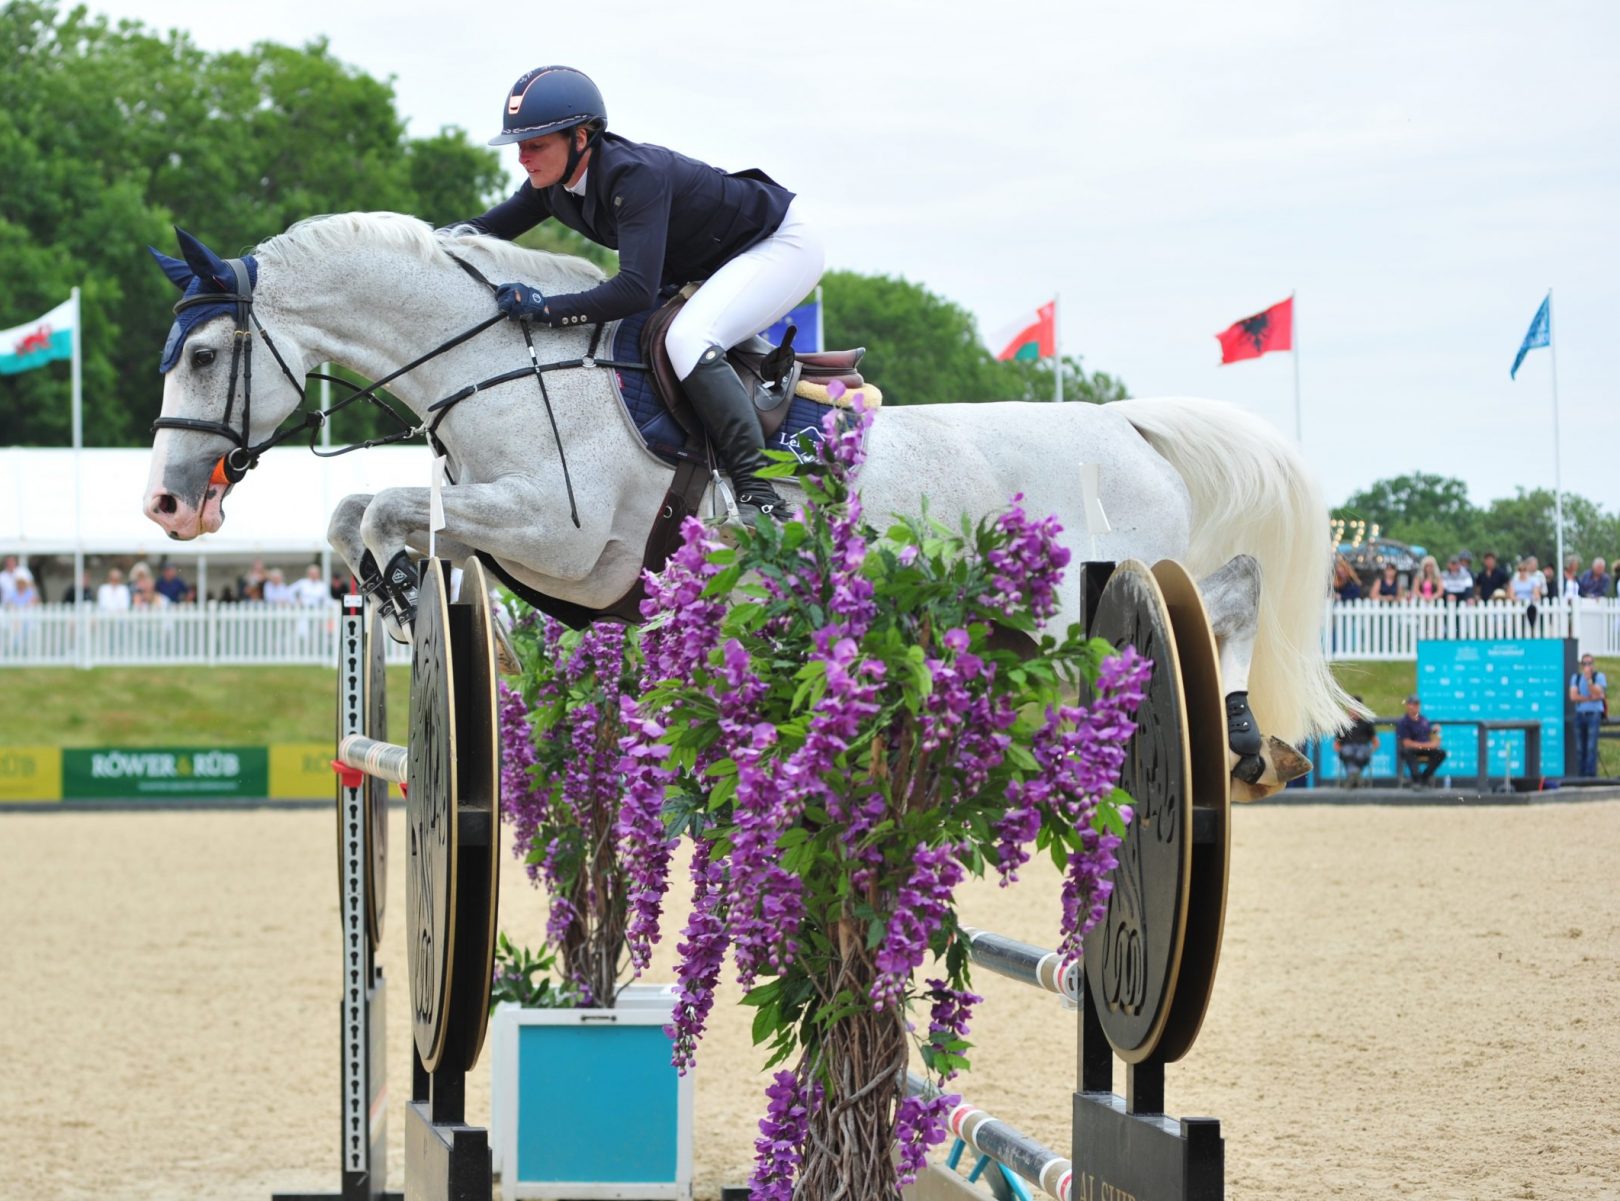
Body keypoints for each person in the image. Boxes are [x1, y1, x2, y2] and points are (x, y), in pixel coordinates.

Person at [444, 66, 824, 529]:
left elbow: (634, 288)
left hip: (779, 244)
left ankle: (758, 490)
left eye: (536, 144)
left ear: (581, 137)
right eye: (521, 145)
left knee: (687, 339)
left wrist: (545, 308)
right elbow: (478, 232)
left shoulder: (633, 176)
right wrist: (410, 244)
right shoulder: (553, 188)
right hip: (713, 259)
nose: (523, 157)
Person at [1394, 694, 1447, 788]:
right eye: (1412, 704)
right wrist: (1428, 745)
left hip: (1425, 748)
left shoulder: (1424, 720)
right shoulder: (1403, 722)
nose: (1415, 706)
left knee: (1441, 753)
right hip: (1412, 749)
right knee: (1408, 752)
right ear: (1407, 705)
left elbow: (1430, 735)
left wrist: (1435, 731)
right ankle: (1416, 779)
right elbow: (1407, 743)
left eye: (1417, 704)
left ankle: (1424, 778)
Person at [1569, 654, 1607, 778]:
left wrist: (1590, 680)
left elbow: (1598, 692)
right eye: (1585, 663)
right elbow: (1573, 696)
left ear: (1593, 665)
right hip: (1580, 715)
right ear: (1581, 665)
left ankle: (1590, 776)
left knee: (1591, 747)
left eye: (1589, 663)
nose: (1587, 666)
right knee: (1580, 748)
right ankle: (1581, 775)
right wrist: (1589, 698)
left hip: (1594, 715)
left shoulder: (1599, 677)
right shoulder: (1576, 678)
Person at [1333, 697, 1380, 789]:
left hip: (1362, 748)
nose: (1353, 710)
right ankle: (1357, 778)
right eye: (1352, 707)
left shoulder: (1366, 723)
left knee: (1360, 753)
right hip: (1347, 748)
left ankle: (1352, 778)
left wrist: (1371, 750)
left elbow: (1375, 742)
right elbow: (1337, 744)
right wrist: (1340, 750)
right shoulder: (1343, 724)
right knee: (1348, 752)